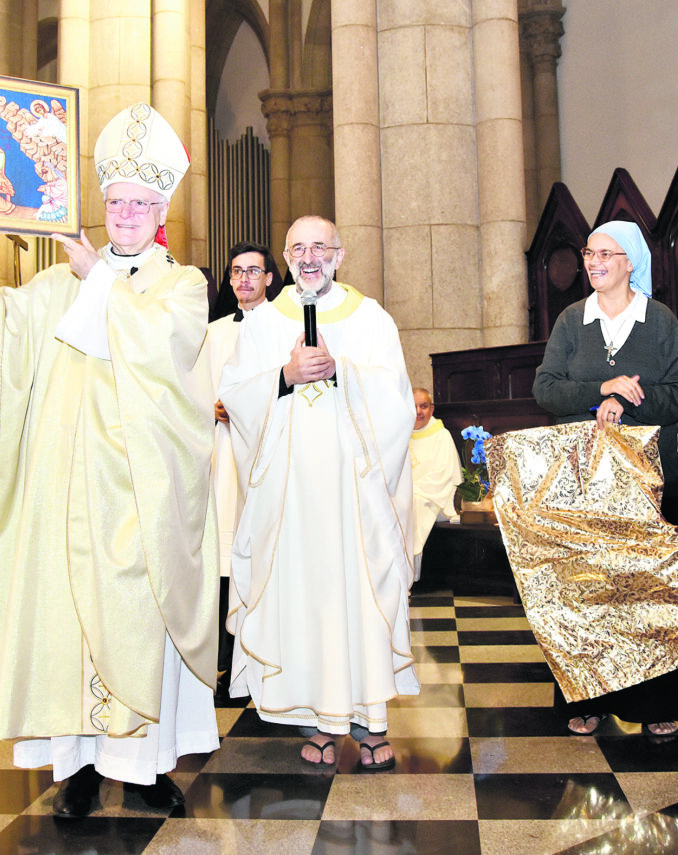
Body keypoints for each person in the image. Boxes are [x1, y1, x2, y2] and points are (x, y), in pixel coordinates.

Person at [0, 102, 219, 818]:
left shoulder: (183, 284)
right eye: (116, 201)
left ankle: (143, 769)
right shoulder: (58, 284)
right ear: (104, 204)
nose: (127, 213)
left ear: (161, 208)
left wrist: (98, 281)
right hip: (59, 497)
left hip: (135, 503)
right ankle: (78, 768)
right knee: (65, 629)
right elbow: (0, 332)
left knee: (135, 627)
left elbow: (165, 352)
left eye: (141, 202)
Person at [218, 215, 418, 771]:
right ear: (286, 256)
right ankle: (315, 722)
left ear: (339, 253)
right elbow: (233, 393)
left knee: (360, 596)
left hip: (355, 499)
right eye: (298, 248)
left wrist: (342, 371)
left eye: (320, 248)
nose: (309, 258)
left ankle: (372, 722)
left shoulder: (371, 317)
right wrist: (284, 375)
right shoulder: (262, 323)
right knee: (304, 602)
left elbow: (399, 401)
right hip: (290, 500)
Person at [532, 219, 678, 737]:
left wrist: (626, 402)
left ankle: (659, 702)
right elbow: (545, 390)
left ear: (631, 262)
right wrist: (599, 388)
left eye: (606, 253)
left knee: (651, 591)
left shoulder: (661, 320)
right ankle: (588, 696)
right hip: (584, 476)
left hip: (648, 476)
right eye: (588, 252)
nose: (593, 261)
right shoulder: (569, 320)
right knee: (588, 590)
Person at [198, 241, 277, 697]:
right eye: (236, 272)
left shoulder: (283, 326)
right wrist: (209, 407)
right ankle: (224, 661)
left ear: (269, 278)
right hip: (221, 457)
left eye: (253, 271)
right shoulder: (213, 332)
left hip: (263, 454)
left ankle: (265, 659)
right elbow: (195, 388)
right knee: (222, 559)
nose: (244, 279)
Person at [409, 387, 463, 579]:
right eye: (413, 406)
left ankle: (410, 572)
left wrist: (413, 490)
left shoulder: (441, 435)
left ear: (432, 409)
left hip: (435, 497)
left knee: (413, 504)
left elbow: (446, 475)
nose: (418, 412)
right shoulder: (401, 434)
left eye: (423, 406)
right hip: (412, 494)